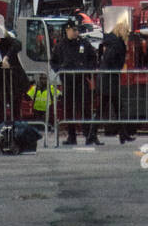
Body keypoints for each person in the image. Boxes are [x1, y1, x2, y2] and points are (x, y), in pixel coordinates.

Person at [50, 16, 98, 146]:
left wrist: (87, 70)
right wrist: (60, 70)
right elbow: (53, 61)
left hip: (81, 81)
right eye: (74, 29)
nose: (76, 32)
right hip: (68, 83)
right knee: (69, 110)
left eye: (77, 29)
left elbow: (93, 59)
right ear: (67, 30)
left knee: (85, 110)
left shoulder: (84, 43)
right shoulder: (60, 46)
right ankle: (72, 136)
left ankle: (88, 135)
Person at [98, 16, 133, 144]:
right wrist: (116, 68)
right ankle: (123, 135)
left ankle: (123, 135)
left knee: (112, 108)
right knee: (112, 107)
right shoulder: (117, 44)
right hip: (110, 80)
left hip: (108, 80)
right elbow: (111, 59)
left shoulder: (111, 42)